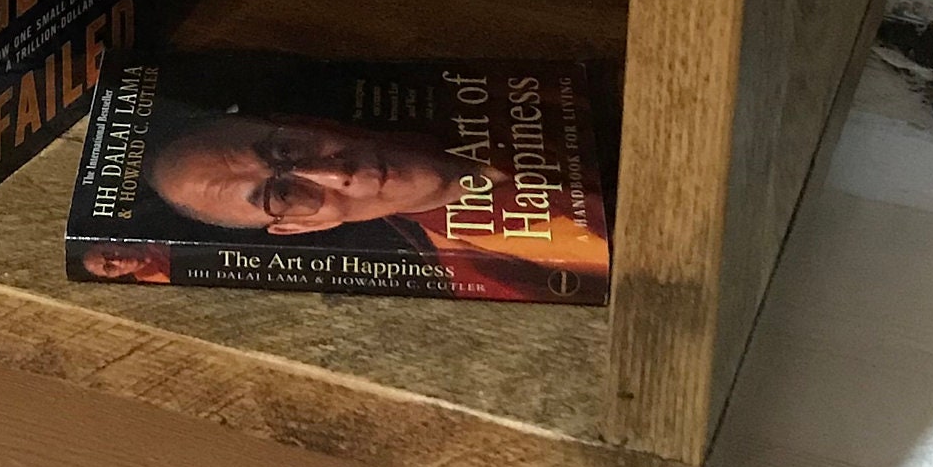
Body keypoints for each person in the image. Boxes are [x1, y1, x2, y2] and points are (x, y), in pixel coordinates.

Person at [141, 103, 606, 298]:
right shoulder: (479, 269)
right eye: (282, 193)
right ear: (304, 228)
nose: (333, 173)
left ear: (301, 121)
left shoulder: (503, 93)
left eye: (287, 150)